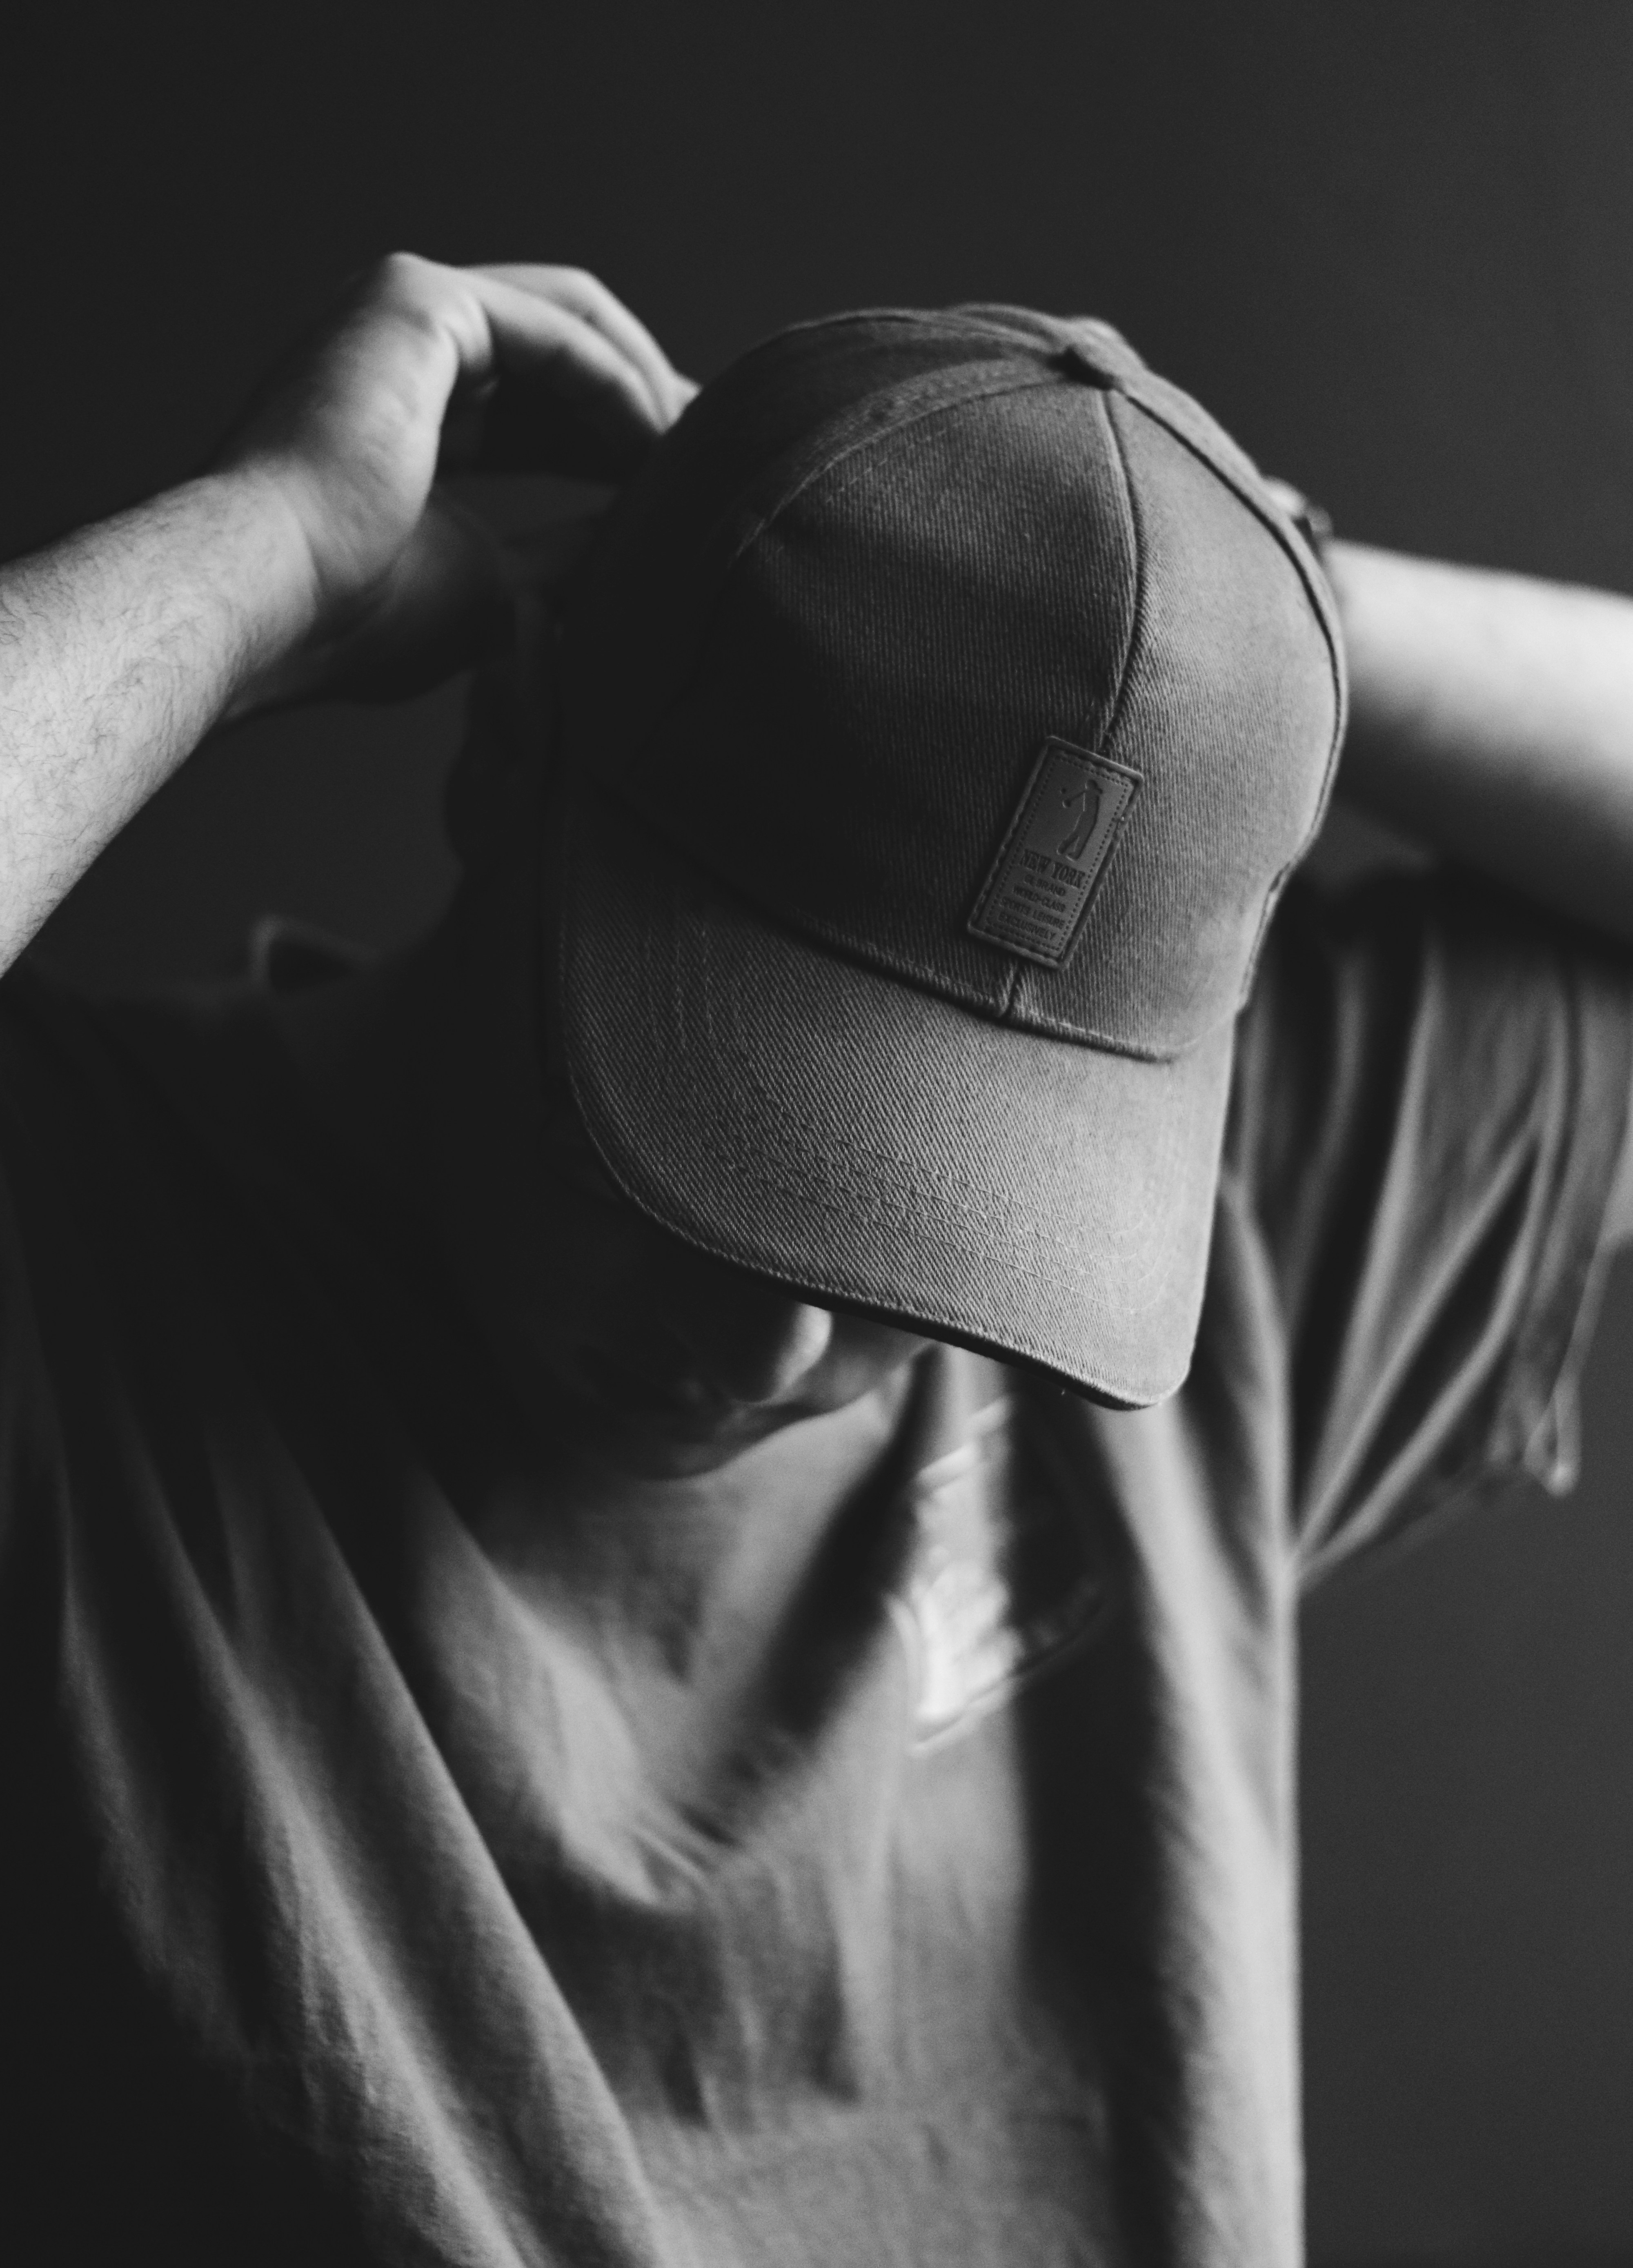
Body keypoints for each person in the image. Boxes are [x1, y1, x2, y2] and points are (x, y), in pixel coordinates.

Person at [3, 254, 1633, 2268]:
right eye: (716, 1137)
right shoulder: (79, 1263)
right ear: (507, 755)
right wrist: (271, 554)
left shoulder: (1248, 1226)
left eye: (944, 1243)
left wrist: (1256, 625)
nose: (785, 1349)